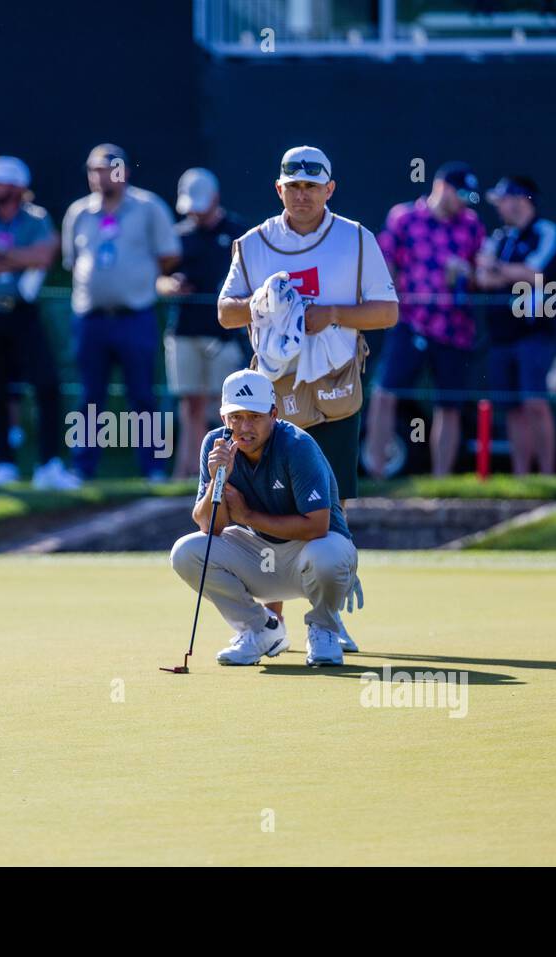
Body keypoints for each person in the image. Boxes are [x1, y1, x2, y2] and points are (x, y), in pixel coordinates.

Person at [217, 145, 398, 654]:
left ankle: (326, 618)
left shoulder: (357, 238)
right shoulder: (253, 243)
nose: (302, 194)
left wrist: (331, 313)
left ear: (329, 189)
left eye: (311, 185)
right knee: (259, 503)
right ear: (279, 189)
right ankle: (267, 625)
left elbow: (387, 312)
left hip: (334, 385)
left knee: (332, 505)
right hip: (269, 391)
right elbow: (225, 312)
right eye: (293, 186)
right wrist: (259, 304)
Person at [168, 369, 359, 668]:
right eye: (236, 417)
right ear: (223, 418)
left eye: (254, 417)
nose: (244, 427)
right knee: (186, 552)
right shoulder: (215, 445)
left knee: (329, 554)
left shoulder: (297, 446)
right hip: (259, 557)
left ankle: (323, 628)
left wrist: (247, 516)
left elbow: (318, 525)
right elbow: (209, 527)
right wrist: (218, 478)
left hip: (310, 552)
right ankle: (262, 629)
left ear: (273, 414)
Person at [62, 143, 181, 480]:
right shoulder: (79, 213)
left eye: (105, 169)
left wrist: (136, 279)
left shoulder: (148, 208)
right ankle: (82, 468)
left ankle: (153, 468)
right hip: (90, 318)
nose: (98, 177)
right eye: (92, 170)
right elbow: (72, 261)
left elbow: (168, 255)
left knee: (143, 395)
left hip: (135, 315)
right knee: (89, 397)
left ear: (123, 171)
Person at [0, 156, 80, 490]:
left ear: (14, 188)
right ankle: (3, 463)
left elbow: (44, 256)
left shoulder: (37, 218)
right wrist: (19, 257)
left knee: (46, 384)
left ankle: (49, 464)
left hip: (24, 311)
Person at [367, 161, 487, 478]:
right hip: (410, 322)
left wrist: (468, 273)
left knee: (449, 405)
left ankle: (441, 481)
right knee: (384, 395)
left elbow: (484, 275)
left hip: (454, 328)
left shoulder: (471, 224)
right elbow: (384, 265)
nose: (463, 202)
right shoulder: (404, 218)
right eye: (460, 194)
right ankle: (376, 473)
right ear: (442, 187)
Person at [159, 167, 250, 479]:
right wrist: (170, 285)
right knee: (190, 405)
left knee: (225, 407)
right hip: (184, 330)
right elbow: (160, 277)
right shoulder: (178, 235)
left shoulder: (238, 232)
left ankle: (227, 472)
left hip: (223, 335)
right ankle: (188, 473)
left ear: (215, 199)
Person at [475, 176, 556, 475]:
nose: (499, 206)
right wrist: (508, 272)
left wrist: (499, 269)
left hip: (534, 333)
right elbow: (483, 279)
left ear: (520, 199)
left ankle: (548, 474)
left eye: (504, 198)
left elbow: (536, 273)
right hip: (501, 335)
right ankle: (522, 476)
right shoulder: (499, 237)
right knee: (512, 409)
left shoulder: (546, 231)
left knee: (535, 403)